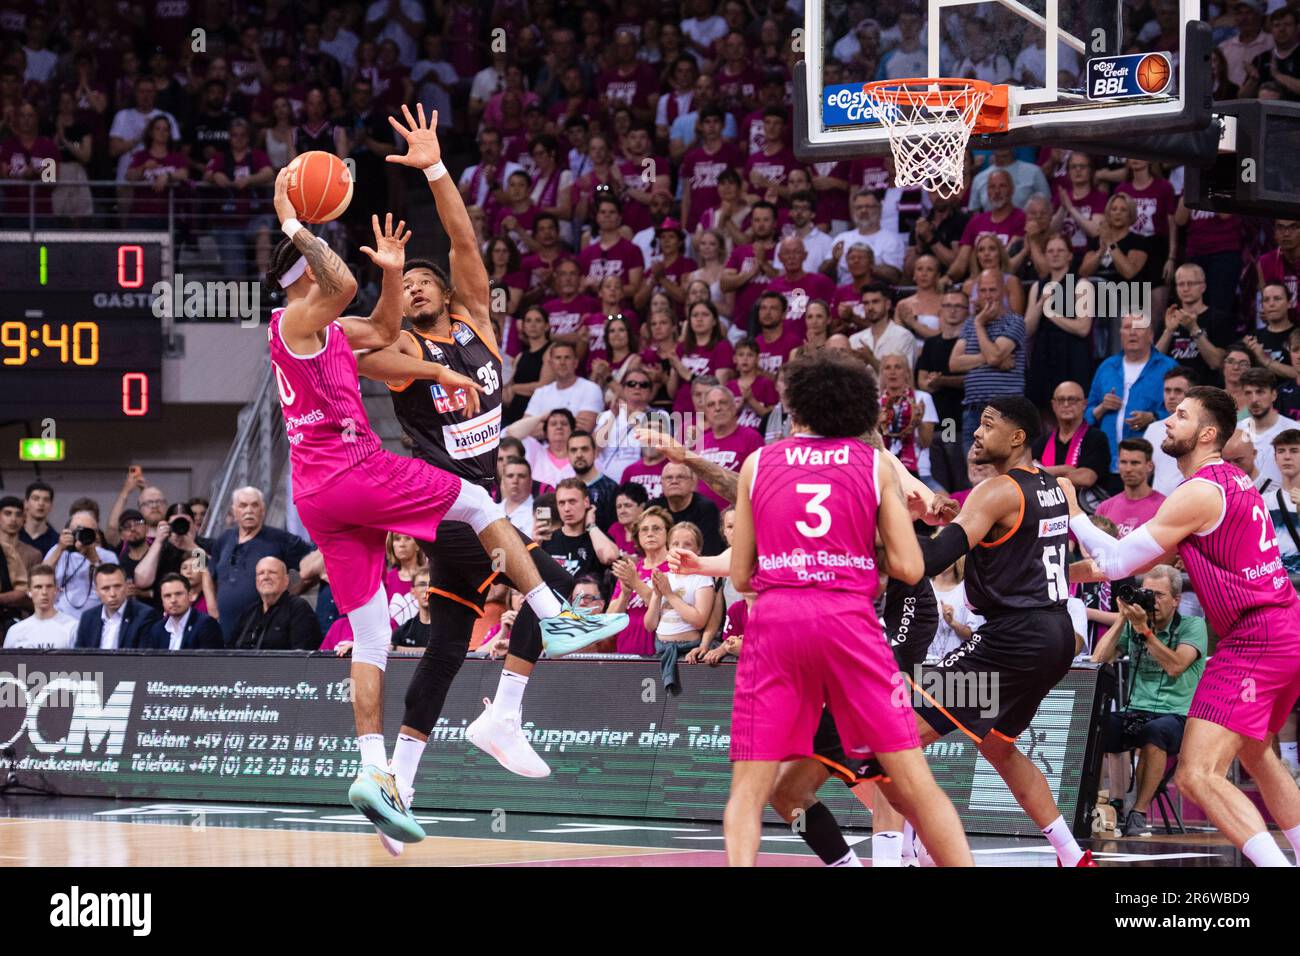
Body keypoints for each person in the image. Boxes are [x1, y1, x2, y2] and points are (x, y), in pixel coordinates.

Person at [265, 106, 626, 853]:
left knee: (446, 641)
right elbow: (389, 345)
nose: (422, 289)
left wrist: (432, 171)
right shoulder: (370, 344)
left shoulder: (479, 331)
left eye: (431, 283)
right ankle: (515, 696)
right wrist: (429, 364)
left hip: (380, 501)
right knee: (542, 561)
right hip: (433, 502)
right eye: (412, 287)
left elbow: (461, 243)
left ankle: (396, 780)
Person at [725, 350, 973, 867]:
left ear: (794, 407)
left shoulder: (757, 463)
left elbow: (742, 575)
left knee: (749, 790)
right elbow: (909, 568)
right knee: (916, 784)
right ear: (859, 409)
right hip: (847, 621)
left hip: (777, 623)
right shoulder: (876, 463)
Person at [1067, 385, 1300, 866]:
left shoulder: (1197, 492)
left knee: (1195, 774)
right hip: (1283, 627)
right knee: (1257, 754)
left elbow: (1112, 561)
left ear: (1208, 433)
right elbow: (1132, 561)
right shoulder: (1232, 481)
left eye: (1181, 415)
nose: (1168, 422)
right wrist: (1055, 572)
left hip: (1255, 637)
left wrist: (1071, 511)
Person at [916, 395, 1098, 865]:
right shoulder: (1053, 487)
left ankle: (911, 852)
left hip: (1014, 636)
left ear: (1017, 437)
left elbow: (932, 561)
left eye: (988, 424)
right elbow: (1022, 554)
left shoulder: (996, 491)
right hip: (1055, 634)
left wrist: (899, 523)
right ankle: (1073, 855)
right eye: (976, 424)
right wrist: (957, 520)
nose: (975, 432)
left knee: (898, 733)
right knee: (999, 745)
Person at [1091, 564, 1207, 836]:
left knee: (1155, 731)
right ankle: (1092, 806)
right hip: (1137, 711)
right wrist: (1122, 618)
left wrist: (1146, 632)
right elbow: (1098, 659)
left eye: (1159, 595)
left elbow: (1176, 666)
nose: (1151, 601)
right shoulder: (1135, 626)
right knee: (1094, 726)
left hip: (1179, 717)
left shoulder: (1193, 626)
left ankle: (1138, 813)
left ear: (1177, 600)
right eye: (1147, 593)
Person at [209, 486, 315, 645]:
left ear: (263, 510)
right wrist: (211, 605)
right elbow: (205, 569)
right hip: (224, 628)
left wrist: (294, 591)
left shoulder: (280, 539)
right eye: (243, 505)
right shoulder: (224, 539)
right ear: (234, 511)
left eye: (255, 505)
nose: (249, 510)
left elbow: (314, 562)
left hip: (265, 630)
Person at [1085, 313, 1179, 474]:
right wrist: (1101, 408)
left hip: (1151, 464)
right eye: (1127, 327)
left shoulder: (1168, 368)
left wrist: (1153, 417)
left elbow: (1181, 411)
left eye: (1139, 328)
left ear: (1151, 335)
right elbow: (1087, 414)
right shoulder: (1107, 367)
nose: (1133, 332)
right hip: (1108, 462)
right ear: (1121, 334)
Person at [950, 269, 1027, 452]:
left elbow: (994, 356)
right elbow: (954, 363)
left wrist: (980, 326)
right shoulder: (970, 323)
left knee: (1003, 467)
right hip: (973, 408)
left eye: (992, 290)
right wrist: (993, 357)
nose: (987, 295)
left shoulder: (1015, 322)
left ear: (1003, 291)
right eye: (983, 291)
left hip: (1005, 408)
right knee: (974, 468)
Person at [646, 521, 714, 693]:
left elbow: (699, 620)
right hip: (661, 649)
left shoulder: (702, 578)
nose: (680, 549)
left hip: (689, 650)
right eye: (675, 544)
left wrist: (668, 594)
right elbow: (650, 625)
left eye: (687, 544)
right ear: (668, 548)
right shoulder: (664, 577)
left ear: (698, 551)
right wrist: (657, 594)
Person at [1033, 381, 1112, 501]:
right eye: (1060, 400)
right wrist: (1066, 469)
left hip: (1083, 509)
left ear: (1084, 404)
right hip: (1046, 508)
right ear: (1053, 405)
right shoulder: (1042, 441)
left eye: (1072, 400)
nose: (1066, 404)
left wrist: (1042, 473)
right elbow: (1027, 474)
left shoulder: (1096, 438)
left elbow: (1085, 478)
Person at [229, 557, 322, 651]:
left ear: (286, 580)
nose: (265, 577)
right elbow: (230, 652)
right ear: (256, 581)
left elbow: (302, 655)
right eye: (261, 573)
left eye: (272, 572)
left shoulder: (298, 609)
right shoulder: (249, 613)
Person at [44, 509, 116, 619]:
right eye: (79, 530)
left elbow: (113, 587)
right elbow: (41, 576)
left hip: (96, 619)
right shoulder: (58, 551)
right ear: (69, 532)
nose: (83, 535)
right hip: (61, 619)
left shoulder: (108, 556)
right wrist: (60, 548)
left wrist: (95, 560)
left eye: (89, 531)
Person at [542, 478, 619, 578]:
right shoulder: (548, 540)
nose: (567, 509)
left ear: (586, 502)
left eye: (572, 502)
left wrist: (591, 526)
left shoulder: (598, 538)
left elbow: (610, 557)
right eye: (561, 503)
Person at [74, 564, 160, 649]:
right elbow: (79, 657)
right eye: (105, 588)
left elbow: (144, 658)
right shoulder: (88, 618)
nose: (112, 594)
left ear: (127, 586)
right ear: (96, 591)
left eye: (117, 586)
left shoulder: (144, 615)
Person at [650, 462, 723, 555]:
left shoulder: (707, 508)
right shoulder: (654, 508)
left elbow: (710, 552)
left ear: (693, 482)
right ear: (662, 483)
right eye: (669, 477)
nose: (674, 481)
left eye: (680, 477)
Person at [1146, 367, 1196, 497]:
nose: (1171, 396)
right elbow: (1144, 474)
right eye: (1167, 391)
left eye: (1178, 391)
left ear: (1192, 395)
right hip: (1157, 509)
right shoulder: (1152, 430)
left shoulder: (1201, 430)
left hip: (1192, 503)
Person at [1237, 369, 1290, 488]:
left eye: (1260, 392)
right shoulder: (1235, 432)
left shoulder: (1294, 430)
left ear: (1274, 395)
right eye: (1248, 393)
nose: (1254, 399)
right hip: (1243, 503)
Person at [2, 565, 76, 649]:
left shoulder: (72, 627)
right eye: (38, 587)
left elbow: (81, 661)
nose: (44, 592)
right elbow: (8, 662)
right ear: (29, 591)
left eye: (49, 586)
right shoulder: (15, 631)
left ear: (56, 589)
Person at [146, 572, 225, 650]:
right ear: (162, 600)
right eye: (167, 596)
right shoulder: (157, 629)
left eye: (178, 594)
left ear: (190, 596)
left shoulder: (206, 625)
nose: (173, 600)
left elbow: (210, 661)